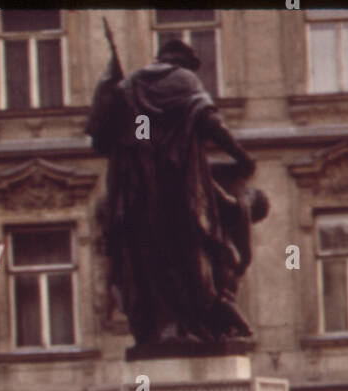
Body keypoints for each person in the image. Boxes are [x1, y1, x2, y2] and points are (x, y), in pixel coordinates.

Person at [86, 35, 262, 346]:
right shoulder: (182, 80)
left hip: (136, 192)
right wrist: (242, 157)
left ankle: (165, 327)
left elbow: (100, 136)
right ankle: (191, 324)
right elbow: (212, 123)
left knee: (147, 257)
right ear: (182, 62)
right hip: (179, 188)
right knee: (192, 253)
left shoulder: (130, 85)